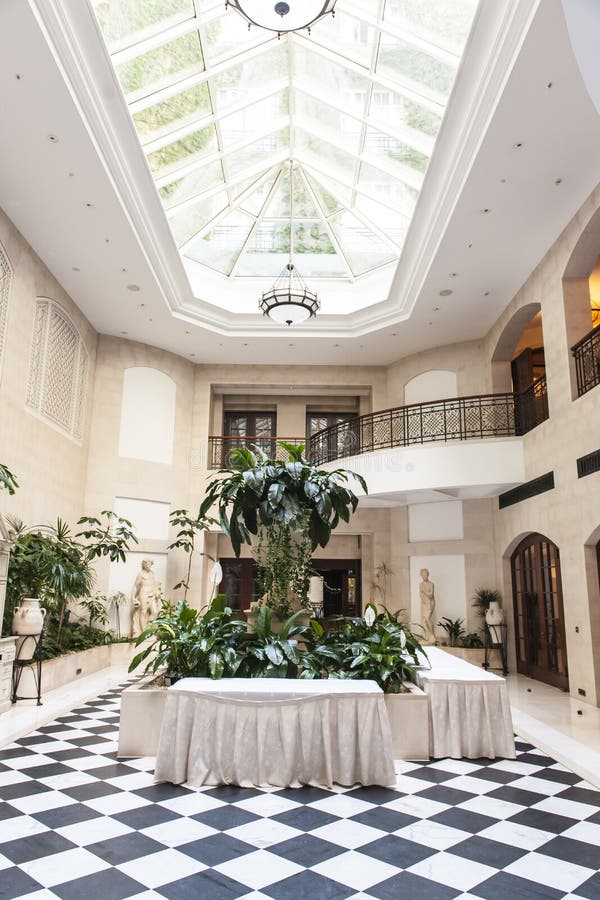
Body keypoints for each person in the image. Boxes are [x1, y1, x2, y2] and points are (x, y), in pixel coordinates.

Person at [131, 559, 158, 636]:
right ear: (144, 565)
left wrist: (156, 592)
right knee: (143, 611)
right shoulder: (141, 574)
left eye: (150, 564)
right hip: (143, 594)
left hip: (152, 594)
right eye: (147, 565)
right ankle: (143, 632)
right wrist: (133, 597)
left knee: (155, 612)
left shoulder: (152, 573)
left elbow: (153, 584)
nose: (149, 566)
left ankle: (148, 627)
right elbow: (136, 586)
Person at [419, 568, 436, 645]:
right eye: (422, 575)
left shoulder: (431, 584)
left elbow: (431, 595)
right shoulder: (421, 584)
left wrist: (424, 592)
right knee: (424, 620)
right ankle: (426, 637)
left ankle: (432, 635)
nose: (424, 576)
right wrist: (424, 594)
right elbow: (421, 595)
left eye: (425, 574)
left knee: (428, 618)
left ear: (427, 575)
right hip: (424, 603)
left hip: (430, 603)